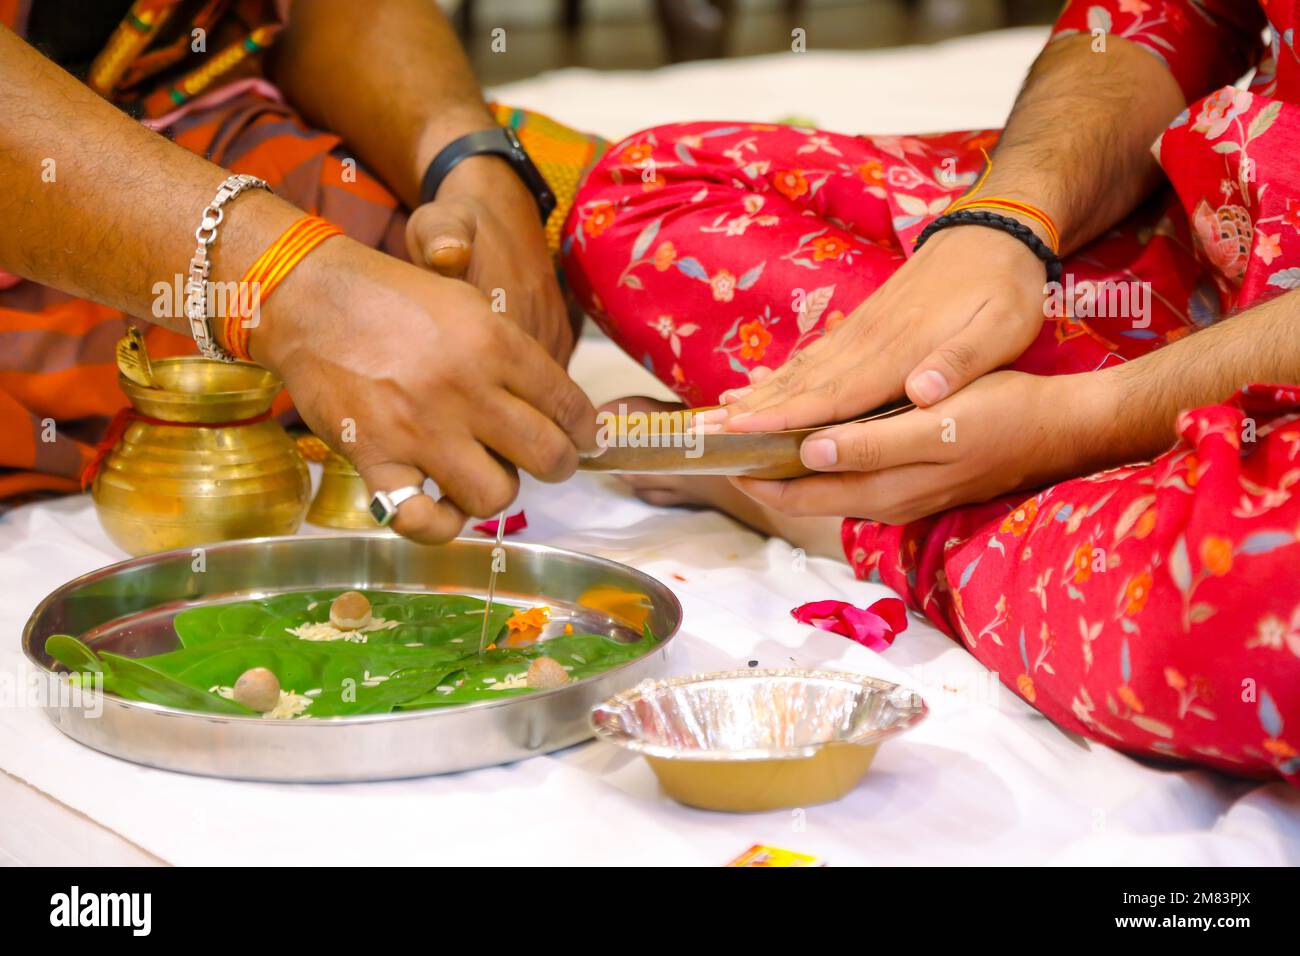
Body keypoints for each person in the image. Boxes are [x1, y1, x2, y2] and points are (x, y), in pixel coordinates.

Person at [563, 0, 1300, 784]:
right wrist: (1006, 221)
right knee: (647, 196)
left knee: (1258, 610)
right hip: (1220, 239)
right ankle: (972, 470)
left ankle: (865, 509)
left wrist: (1090, 417)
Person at [0, 0, 607, 539]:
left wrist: (468, 160)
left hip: (197, 126)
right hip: (42, 186)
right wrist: (290, 286)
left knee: (586, 205)